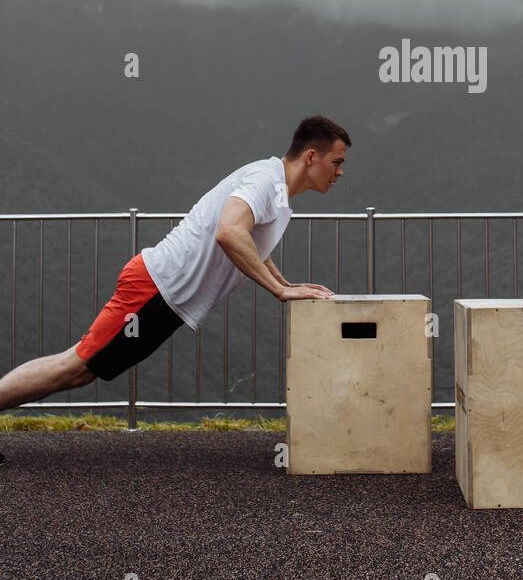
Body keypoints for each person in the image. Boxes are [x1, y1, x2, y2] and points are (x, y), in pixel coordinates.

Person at [0, 115, 350, 424]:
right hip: (154, 290)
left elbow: (251, 240)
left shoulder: (276, 190)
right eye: (336, 162)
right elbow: (229, 231)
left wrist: (284, 281)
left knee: (75, 364)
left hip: (161, 293)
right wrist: (279, 291)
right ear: (310, 156)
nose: (340, 172)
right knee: (75, 369)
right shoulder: (266, 181)